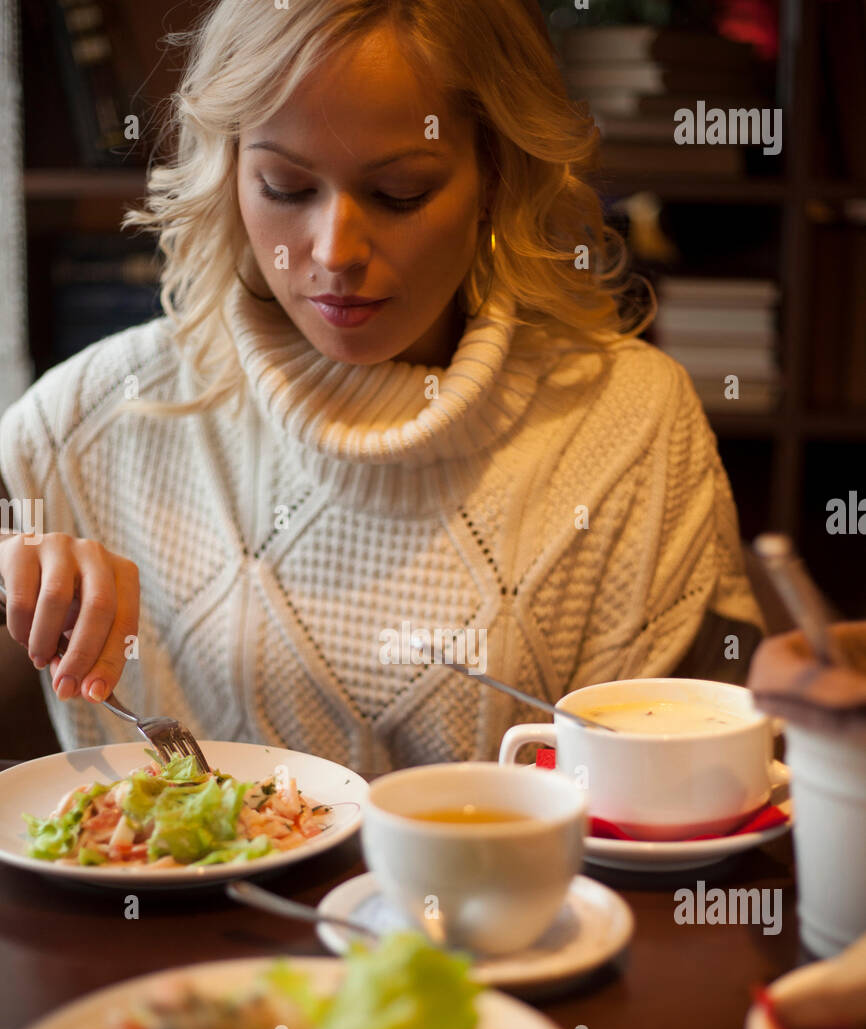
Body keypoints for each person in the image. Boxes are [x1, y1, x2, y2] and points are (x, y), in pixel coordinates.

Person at [0, 0, 764, 779]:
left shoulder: (630, 422)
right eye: (285, 186)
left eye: (400, 193)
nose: (334, 253)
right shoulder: (93, 418)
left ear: (496, 175)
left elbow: (699, 783)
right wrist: (13, 570)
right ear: (228, 170)